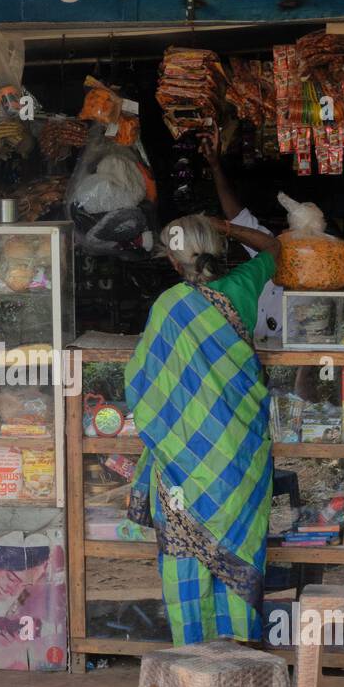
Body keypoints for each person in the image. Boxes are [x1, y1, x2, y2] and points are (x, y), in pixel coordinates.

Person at [125, 211, 279, 645]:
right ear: (219, 248)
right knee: (238, 539)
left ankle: (193, 655)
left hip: (180, 458)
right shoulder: (244, 286)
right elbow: (275, 247)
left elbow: (141, 383)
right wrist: (226, 227)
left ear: (173, 262)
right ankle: (236, 651)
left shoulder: (168, 306)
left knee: (184, 554)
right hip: (239, 456)